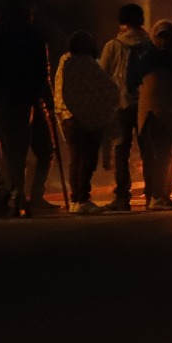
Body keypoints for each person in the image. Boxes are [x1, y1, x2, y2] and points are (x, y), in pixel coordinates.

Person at [0, 0, 52, 218]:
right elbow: (42, 71)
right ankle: (17, 197)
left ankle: (4, 191)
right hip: (23, 100)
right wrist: (36, 96)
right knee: (16, 153)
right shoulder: (34, 34)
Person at [54, 31, 119, 214]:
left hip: (67, 118)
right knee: (87, 160)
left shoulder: (64, 63)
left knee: (75, 159)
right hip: (87, 119)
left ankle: (76, 199)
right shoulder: (88, 65)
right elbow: (108, 88)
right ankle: (82, 198)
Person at [100, 3, 154, 214]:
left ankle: (122, 197)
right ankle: (152, 195)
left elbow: (102, 76)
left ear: (122, 21)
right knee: (148, 151)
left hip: (121, 106)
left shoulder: (113, 45)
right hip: (147, 105)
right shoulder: (151, 44)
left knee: (121, 152)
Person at [137, 20, 172, 211]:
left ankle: (159, 196)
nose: (164, 40)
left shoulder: (170, 58)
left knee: (164, 155)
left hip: (166, 112)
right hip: (154, 113)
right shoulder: (151, 58)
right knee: (160, 155)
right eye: (161, 36)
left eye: (168, 36)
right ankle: (157, 197)